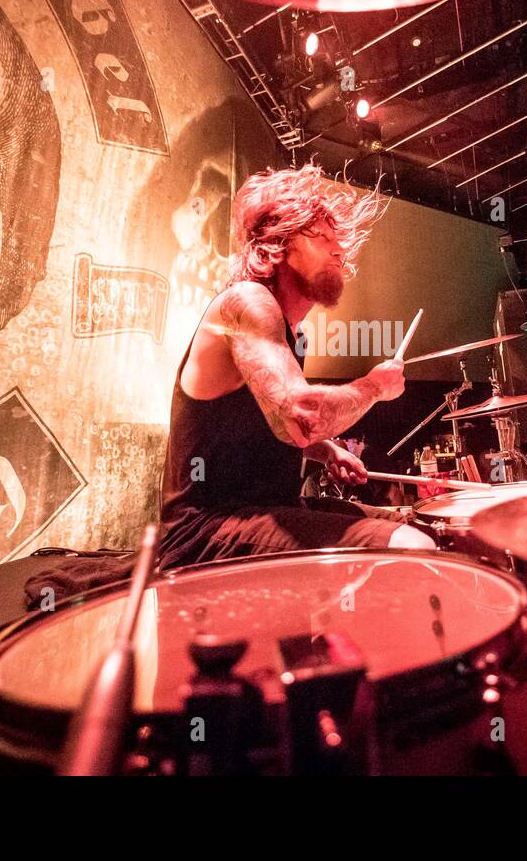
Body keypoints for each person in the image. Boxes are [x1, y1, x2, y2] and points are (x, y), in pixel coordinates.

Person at [158, 164, 434, 569]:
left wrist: (326, 452)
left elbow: (271, 421)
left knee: (419, 524)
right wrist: (374, 386)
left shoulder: (293, 334)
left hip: (269, 509)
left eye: (337, 239)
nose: (338, 249)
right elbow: (303, 416)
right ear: (277, 246)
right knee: (412, 550)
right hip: (206, 528)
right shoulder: (247, 303)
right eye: (321, 237)